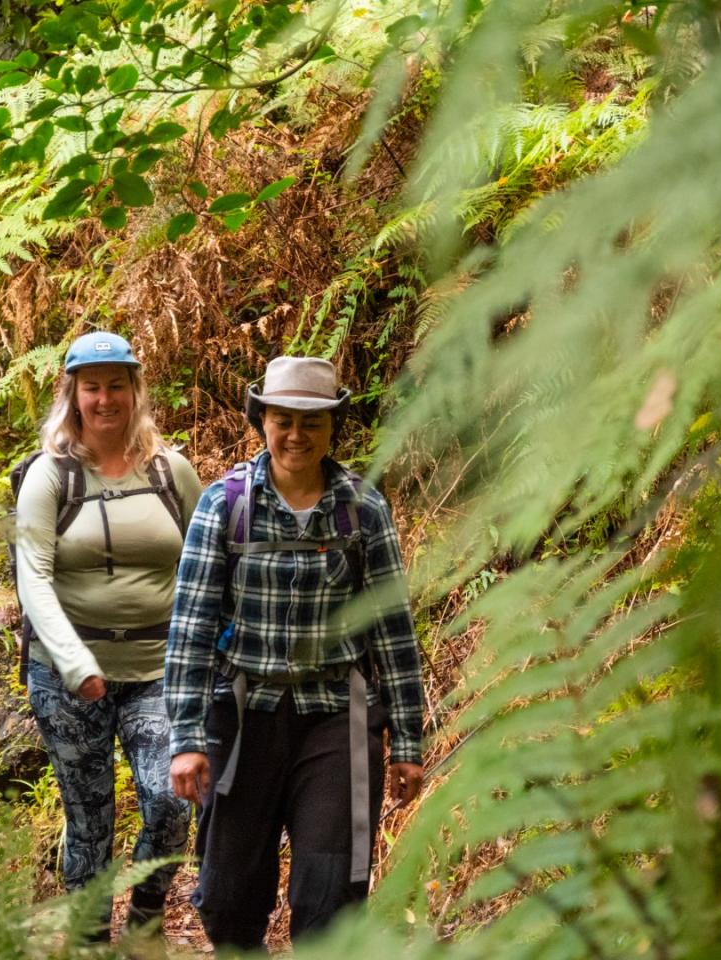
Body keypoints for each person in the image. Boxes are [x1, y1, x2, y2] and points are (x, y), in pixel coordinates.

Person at [165, 355, 426, 951]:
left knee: (332, 894)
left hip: (336, 718)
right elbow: (190, 628)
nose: (296, 435)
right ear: (262, 421)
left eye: (312, 421)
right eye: (283, 420)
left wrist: (407, 742)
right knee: (227, 895)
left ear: (333, 426)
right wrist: (186, 738)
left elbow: (392, 631)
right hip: (242, 716)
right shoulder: (224, 505)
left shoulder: (363, 511)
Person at [15, 330, 199, 938]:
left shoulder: (171, 473)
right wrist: (75, 662)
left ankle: (145, 924)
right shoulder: (50, 476)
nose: (104, 399)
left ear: (134, 390)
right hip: (67, 679)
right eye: (91, 387)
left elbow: (208, 564)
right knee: (90, 822)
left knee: (170, 802)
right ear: (73, 395)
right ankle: (90, 942)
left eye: (115, 385)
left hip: (159, 670)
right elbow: (33, 578)